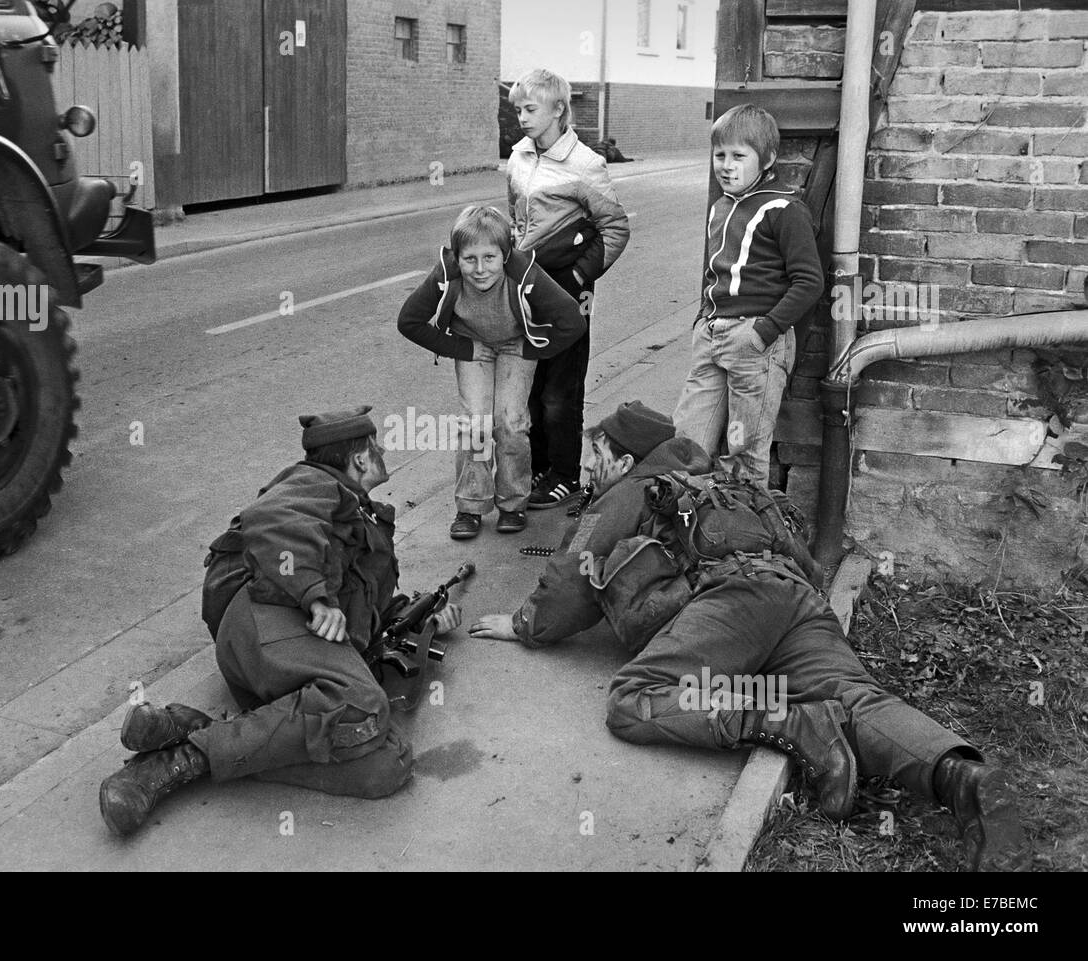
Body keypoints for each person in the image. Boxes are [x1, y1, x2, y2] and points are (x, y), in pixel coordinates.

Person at [470, 400, 1030, 871]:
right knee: (855, 696)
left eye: (593, 456)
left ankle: (797, 724)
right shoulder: (715, 475)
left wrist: (525, 626)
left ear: (620, 459)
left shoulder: (624, 492)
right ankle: (966, 782)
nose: (586, 468)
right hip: (794, 596)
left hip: (732, 601)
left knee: (632, 700)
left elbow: (571, 581)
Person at [99, 407, 461, 836]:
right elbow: (275, 521)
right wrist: (316, 598)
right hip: (262, 620)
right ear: (361, 458)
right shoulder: (314, 482)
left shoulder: (368, 519)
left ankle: (197, 733)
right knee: (363, 703)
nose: (383, 450)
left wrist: (424, 620)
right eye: (375, 445)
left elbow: (371, 608)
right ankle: (177, 762)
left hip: (297, 658)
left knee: (385, 766)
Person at [398, 205, 585, 541]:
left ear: (505, 254)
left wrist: (533, 349)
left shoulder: (525, 272)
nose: (480, 269)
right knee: (475, 424)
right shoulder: (446, 273)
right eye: (470, 259)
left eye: (490, 258)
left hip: (516, 345)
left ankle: (513, 502)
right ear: (457, 257)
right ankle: (471, 505)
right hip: (473, 346)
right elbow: (408, 322)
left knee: (511, 422)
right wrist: (462, 349)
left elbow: (572, 320)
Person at [673, 103, 824, 485]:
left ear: (768, 158)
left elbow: (809, 281)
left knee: (742, 453)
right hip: (712, 336)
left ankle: (745, 539)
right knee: (687, 443)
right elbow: (713, 271)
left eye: (739, 156)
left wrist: (764, 332)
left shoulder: (784, 208)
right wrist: (702, 320)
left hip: (753, 345)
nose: (726, 165)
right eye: (719, 155)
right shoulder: (721, 207)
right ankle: (694, 531)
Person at [506, 68, 630, 511]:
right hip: (526, 287)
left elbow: (615, 228)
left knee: (561, 388)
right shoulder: (519, 157)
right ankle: (541, 466)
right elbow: (519, 224)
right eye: (518, 109)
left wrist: (578, 278)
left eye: (531, 109)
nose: (522, 117)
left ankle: (564, 475)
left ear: (559, 109)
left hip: (567, 290)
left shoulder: (586, 164)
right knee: (533, 384)